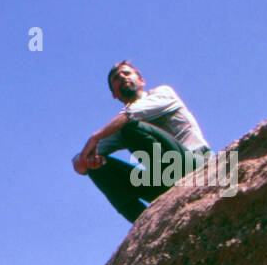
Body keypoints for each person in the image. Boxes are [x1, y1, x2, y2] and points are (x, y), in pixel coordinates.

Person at [73, 62, 213, 222]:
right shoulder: (118, 128)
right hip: (162, 182)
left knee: (130, 128)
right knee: (97, 167)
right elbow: (80, 164)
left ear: (141, 80)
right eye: (116, 79)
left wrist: (95, 137)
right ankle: (144, 221)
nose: (122, 78)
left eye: (127, 73)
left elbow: (132, 114)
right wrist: (85, 161)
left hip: (194, 164)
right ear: (114, 94)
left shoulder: (163, 93)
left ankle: (173, 188)